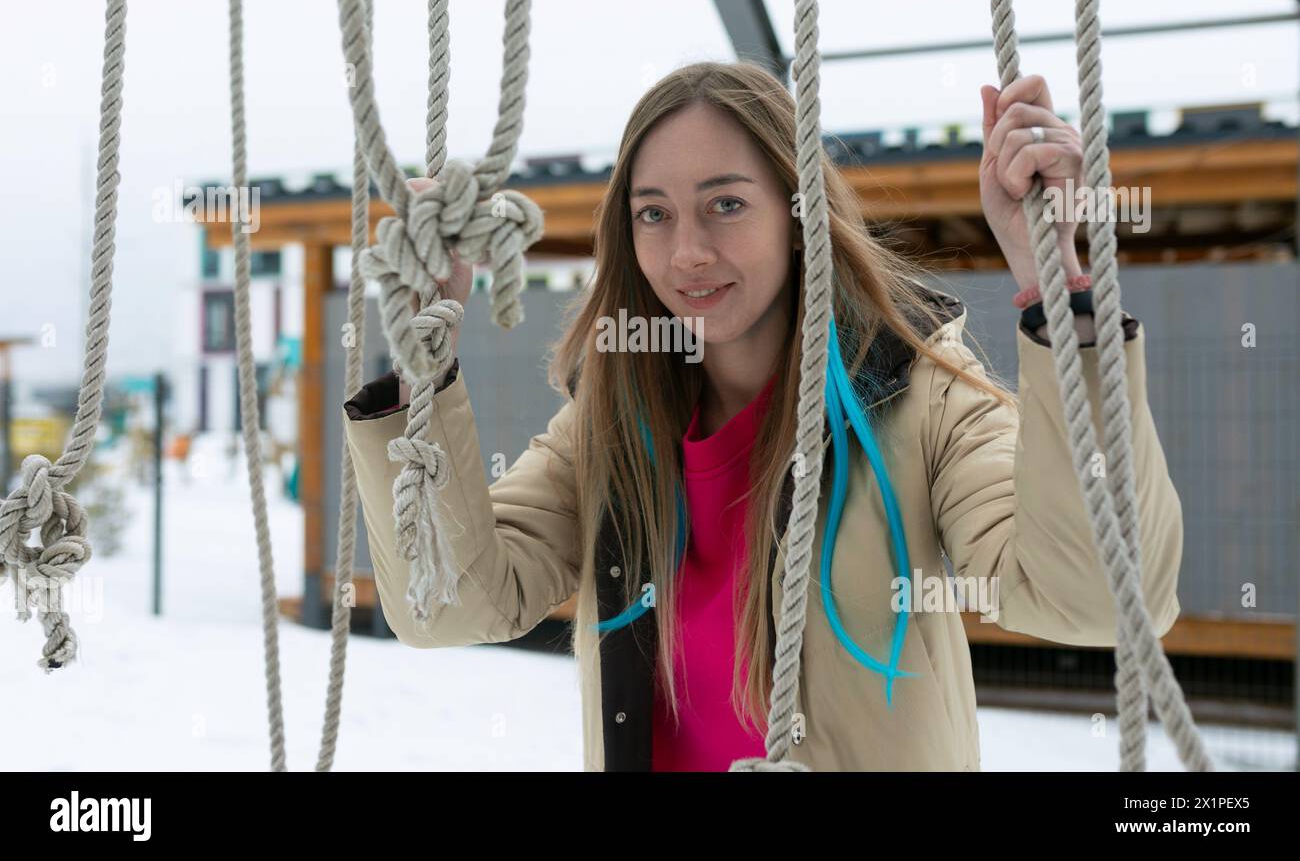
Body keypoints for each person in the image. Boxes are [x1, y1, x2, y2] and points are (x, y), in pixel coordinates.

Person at [342, 61, 1183, 772]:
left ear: (798, 210)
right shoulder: (612, 426)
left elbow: (1098, 601)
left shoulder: (918, 394)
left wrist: (1057, 292)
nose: (687, 253)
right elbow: (447, 603)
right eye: (654, 214)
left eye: (727, 204)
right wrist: (424, 366)